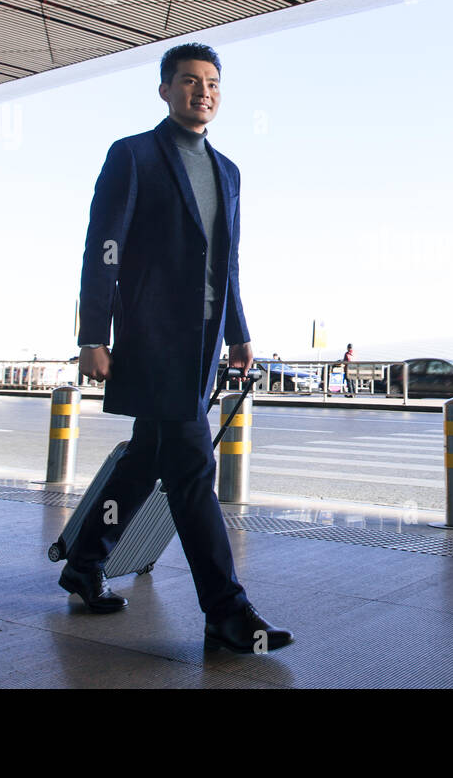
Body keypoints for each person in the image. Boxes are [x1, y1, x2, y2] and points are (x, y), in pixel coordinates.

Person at [65, 42, 292, 654]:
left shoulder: (229, 171)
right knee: (192, 468)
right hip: (151, 338)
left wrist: (240, 331)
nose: (203, 92)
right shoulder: (133, 155)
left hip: (203, 344)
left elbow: (227, 262)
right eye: (190, 81)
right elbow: (102, 248)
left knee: (147, 460)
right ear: (164, 89)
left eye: (213, 83)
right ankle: (227, 610)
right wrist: (94, 334)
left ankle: (85, 561)